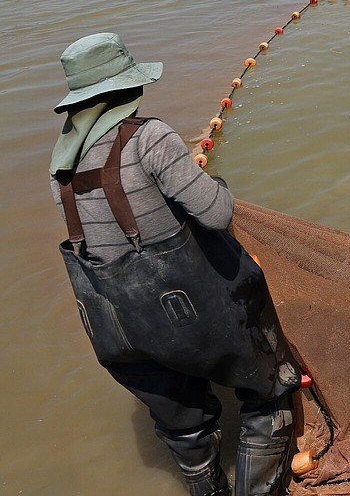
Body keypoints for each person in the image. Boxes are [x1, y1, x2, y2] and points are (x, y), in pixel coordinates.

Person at [49, 33, 300, 496]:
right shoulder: (150, 137)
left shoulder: (60, 170)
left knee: (183, 424)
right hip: (182, 310)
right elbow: (216, 212)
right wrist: (213, 182)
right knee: (270, 390)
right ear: (124, 91)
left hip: (114, 330)